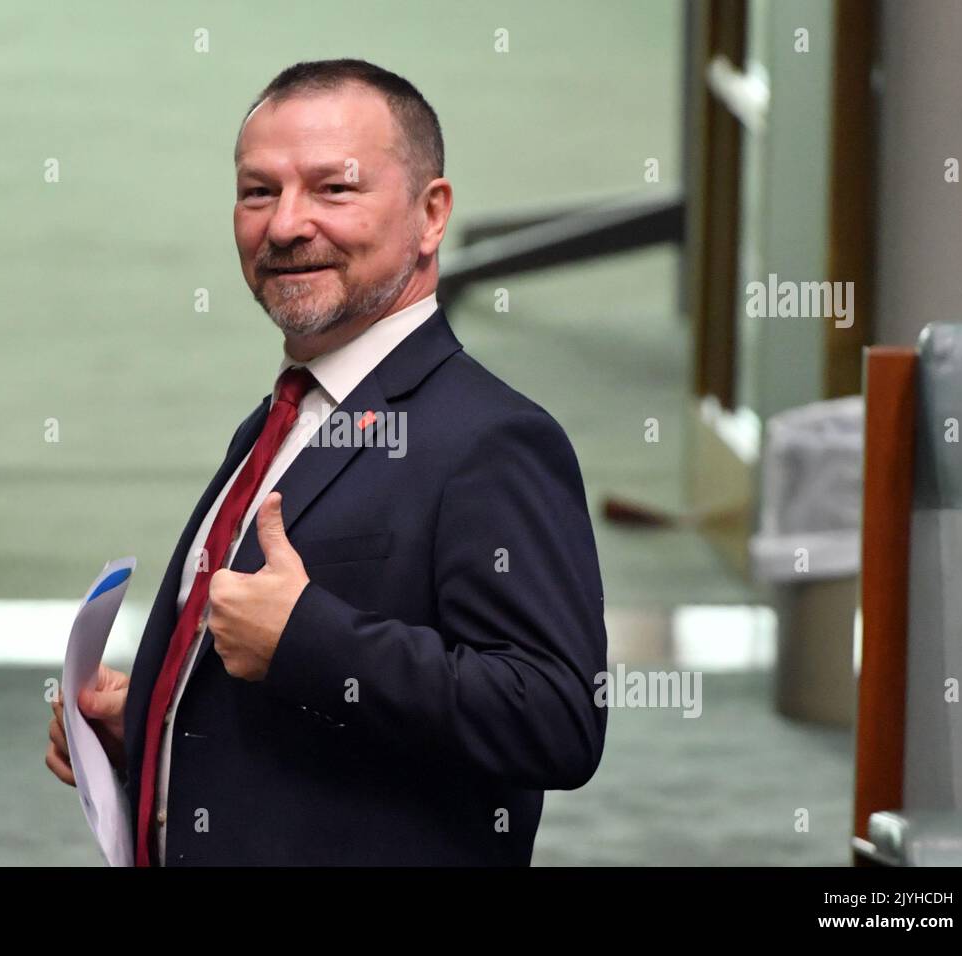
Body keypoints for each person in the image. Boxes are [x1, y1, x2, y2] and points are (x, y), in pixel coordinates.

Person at [47, 58, 608, 866]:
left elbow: (555, 717)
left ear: (431, 214)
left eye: (334, 190)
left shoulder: (490, 440)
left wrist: (310, 638)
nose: (284, 225)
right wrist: (160, 726)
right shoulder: (280, 422)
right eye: (258, 191)